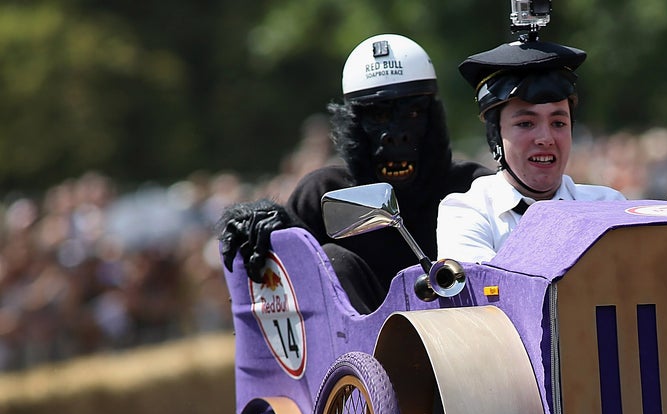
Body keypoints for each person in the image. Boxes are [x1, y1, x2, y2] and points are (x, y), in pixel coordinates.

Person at [219, 34, 491, 313]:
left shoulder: (474, 188)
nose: (395, 135)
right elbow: (278, 298)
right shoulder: (323, 193)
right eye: (378, 116)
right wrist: (268, 229)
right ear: (353, 125)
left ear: (432, 118)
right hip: (357, 352)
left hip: (464, 344)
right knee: (333, 258)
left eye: (411, 114)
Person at [436, 37, 625, 263]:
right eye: (526, 123)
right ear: (495, 135)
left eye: (558, 123)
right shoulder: (466, 212)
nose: (546, 139)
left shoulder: (608, 206)